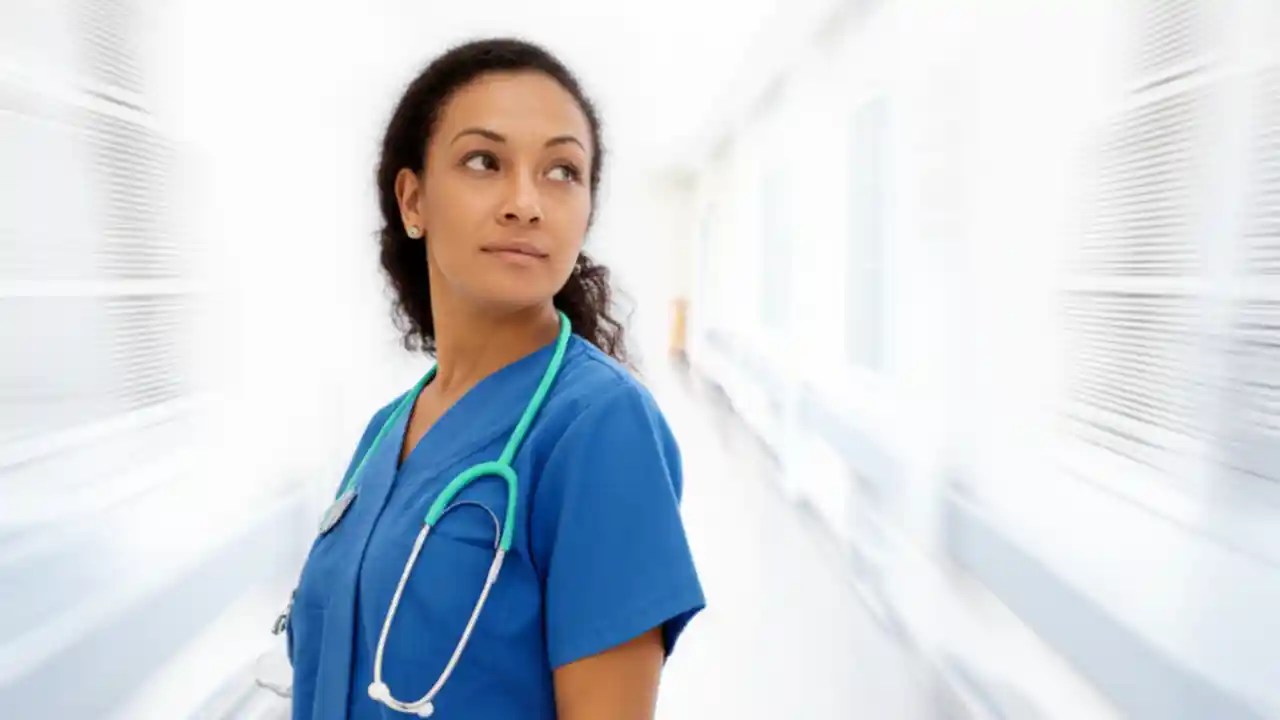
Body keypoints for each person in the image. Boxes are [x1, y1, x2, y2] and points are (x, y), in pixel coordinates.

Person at [284, 37, 705, 719]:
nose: (525, 202)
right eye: (485, 161)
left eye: (562, 171)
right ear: (413, 200)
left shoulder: (599, 427)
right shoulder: (387, 429)